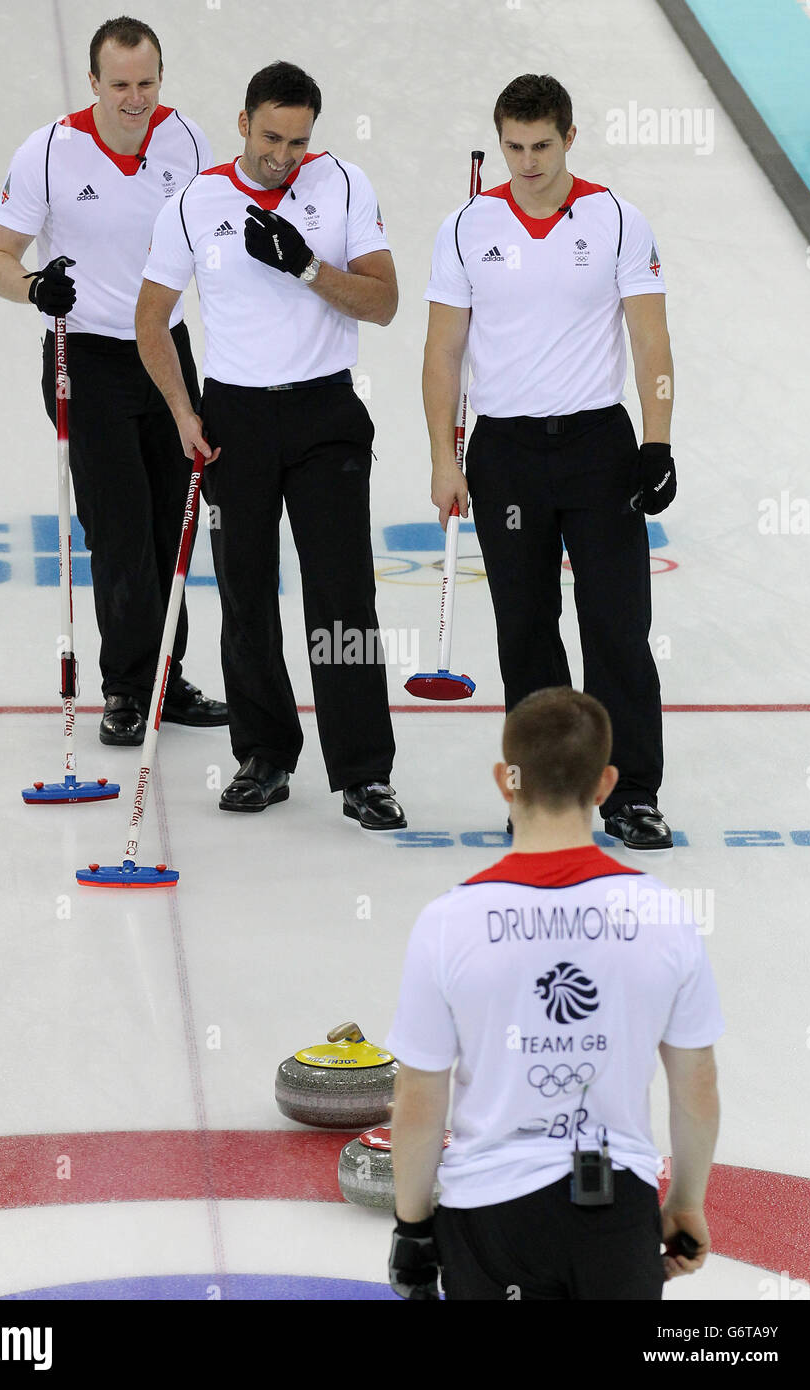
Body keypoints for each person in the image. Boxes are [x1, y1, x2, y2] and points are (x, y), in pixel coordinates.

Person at [136, 60, 405, 830]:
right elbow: (150, 319)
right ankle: (263, 756)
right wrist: (185, 414)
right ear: (244, 121)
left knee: (341, 598)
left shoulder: (344, 186)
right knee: (246, 594)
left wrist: (308, 266)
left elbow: (383, 302)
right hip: (235, 420)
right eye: (269, 137)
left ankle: (363, 772)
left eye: (297, 140)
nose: (282, 155)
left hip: (326, 416)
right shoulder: (194, 202)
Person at [384, 688, 722, 1300]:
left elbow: (418, 1096)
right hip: (616, 1213)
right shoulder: (662, 912)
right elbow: (696, 1086)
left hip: (491, 1214)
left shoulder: (449, 921)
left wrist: (412, 1226)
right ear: (606, 784)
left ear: (504, 780)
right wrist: (685, 1203)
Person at [423, 73, 676, 850]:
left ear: (569, 137)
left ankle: (631, 791)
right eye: (512, 147)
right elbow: (441, 351)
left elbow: (650, 341)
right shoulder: (466, 226)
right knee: (526, 630)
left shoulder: (617, 221)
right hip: (504, 453)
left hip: (598, 446)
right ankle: (539, 792)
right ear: (498, 141)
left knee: (616, 626)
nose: (526, 163)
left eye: (540, 146)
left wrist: (656, 441)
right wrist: (442, 456)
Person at [0, 15, 227, 746]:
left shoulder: (186, 142)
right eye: (119, 84)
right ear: (93, 82)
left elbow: (211, 244)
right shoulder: (48, 153)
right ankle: (125, 688)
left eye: (147, 83)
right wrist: (31, 288)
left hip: (167, 355)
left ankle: (166, 676)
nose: (134, 99)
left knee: (169, 520)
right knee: (118, 527)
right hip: (84, 357)